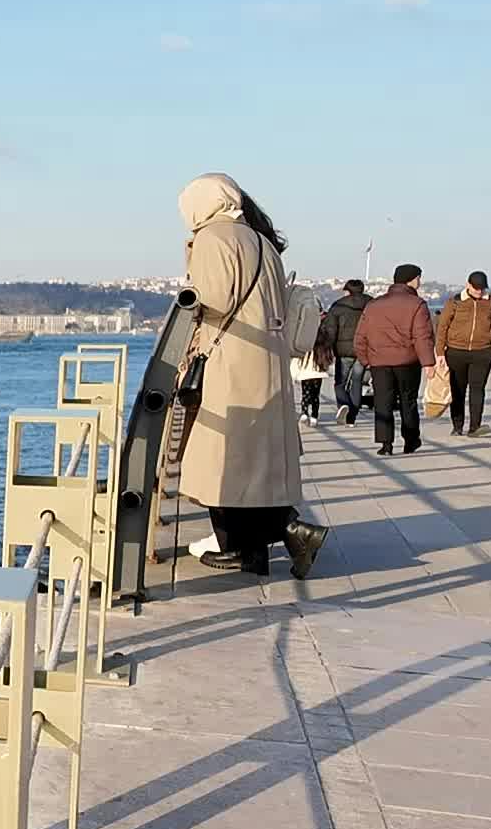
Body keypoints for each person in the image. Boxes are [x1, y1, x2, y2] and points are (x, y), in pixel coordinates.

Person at [175, 173, 325, 578]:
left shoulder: (213, 238)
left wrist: (190, 283)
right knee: (253, 462)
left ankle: (275, 538)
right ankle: (264, 547)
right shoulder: (260, 240)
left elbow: (215, 300)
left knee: (219, 459)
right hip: (267, 360)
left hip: (230, 362)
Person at [355, 262, 435, 455]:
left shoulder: (374, 305)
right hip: (407, 361)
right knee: (408, 401)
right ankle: (411, 440)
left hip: (379, 362)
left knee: (382, 402)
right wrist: (428, 363)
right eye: (418, 278)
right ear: (411, 280)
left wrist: (366, 360)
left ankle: (386, 444)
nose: (420, 282)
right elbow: (422, 336)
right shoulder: (417, 304)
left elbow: (361, 336)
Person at [436, 270, 491, 436]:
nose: (479, 292)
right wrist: (440, 353)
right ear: (468, 285)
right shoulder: (455, 302)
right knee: (457, 390)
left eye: (482, 289)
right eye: (476, 288)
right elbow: (442, 327)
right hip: (456, 352)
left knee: (477, 389)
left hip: (482, 352)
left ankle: (475, 426)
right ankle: (457, 425)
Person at [318, 279, 371, 423]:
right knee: (357, 382)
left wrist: (327, 348)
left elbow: (330, 330)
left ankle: (343, 406)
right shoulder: (372, 304)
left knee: (340, 382)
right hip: (364, 350)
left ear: (347, 291)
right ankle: (352, 416)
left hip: (343, 351)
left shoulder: (338, 306)